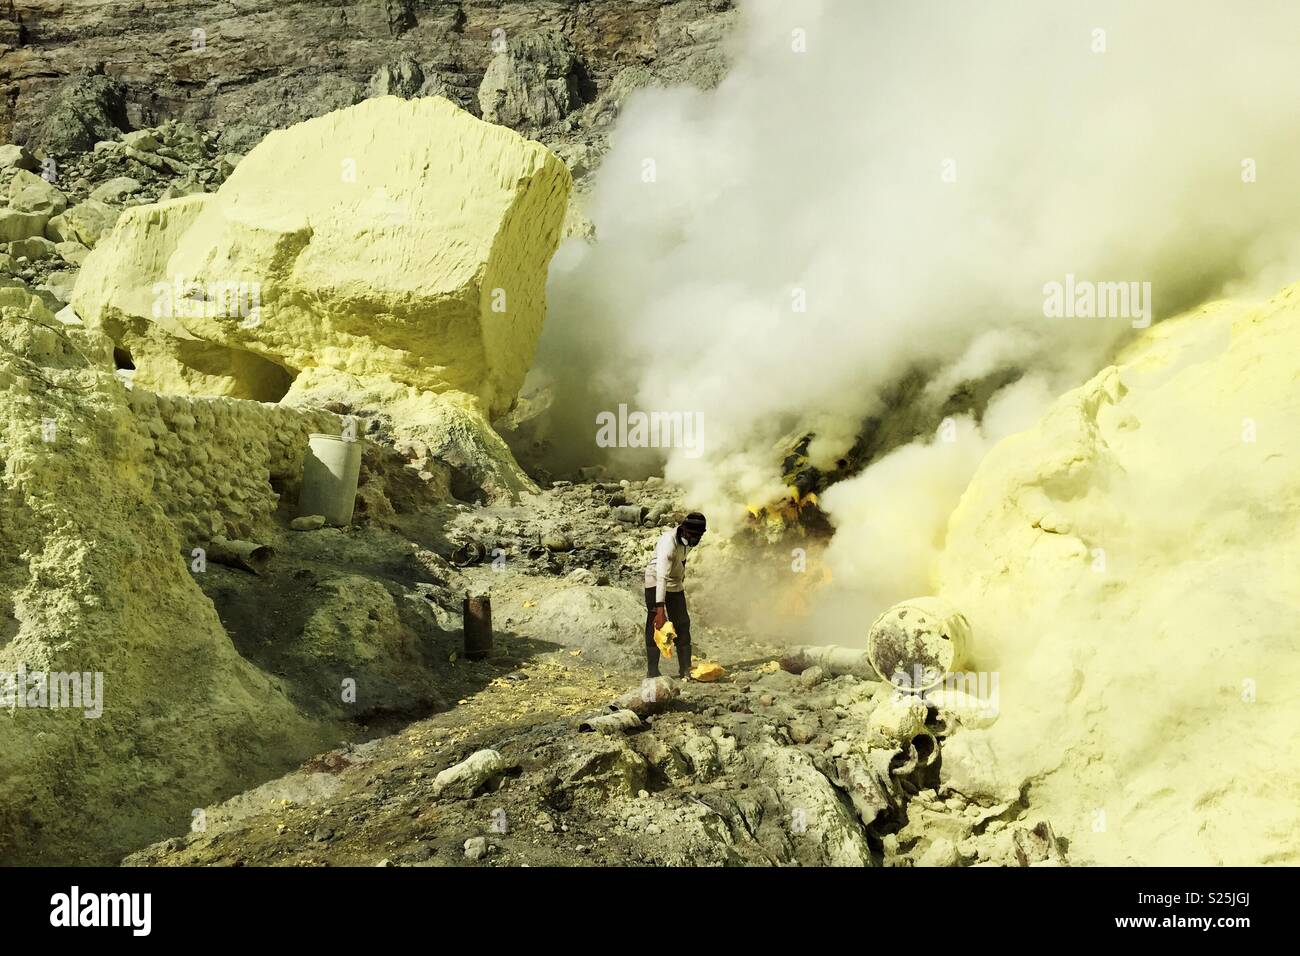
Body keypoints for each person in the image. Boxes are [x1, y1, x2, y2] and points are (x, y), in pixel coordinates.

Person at [643, 512, 706, 679]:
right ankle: (653, 671)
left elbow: (682, 559)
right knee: (656, 625)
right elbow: (662, 576)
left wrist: (681, 577)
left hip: (675, 583)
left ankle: (685, 669)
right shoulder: (668, 543)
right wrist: (660, 609)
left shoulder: (689, 540)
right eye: (693, 535)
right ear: (684, 530)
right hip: (656, 581)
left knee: (682, 623)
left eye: (699, 535)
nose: (696, 538)